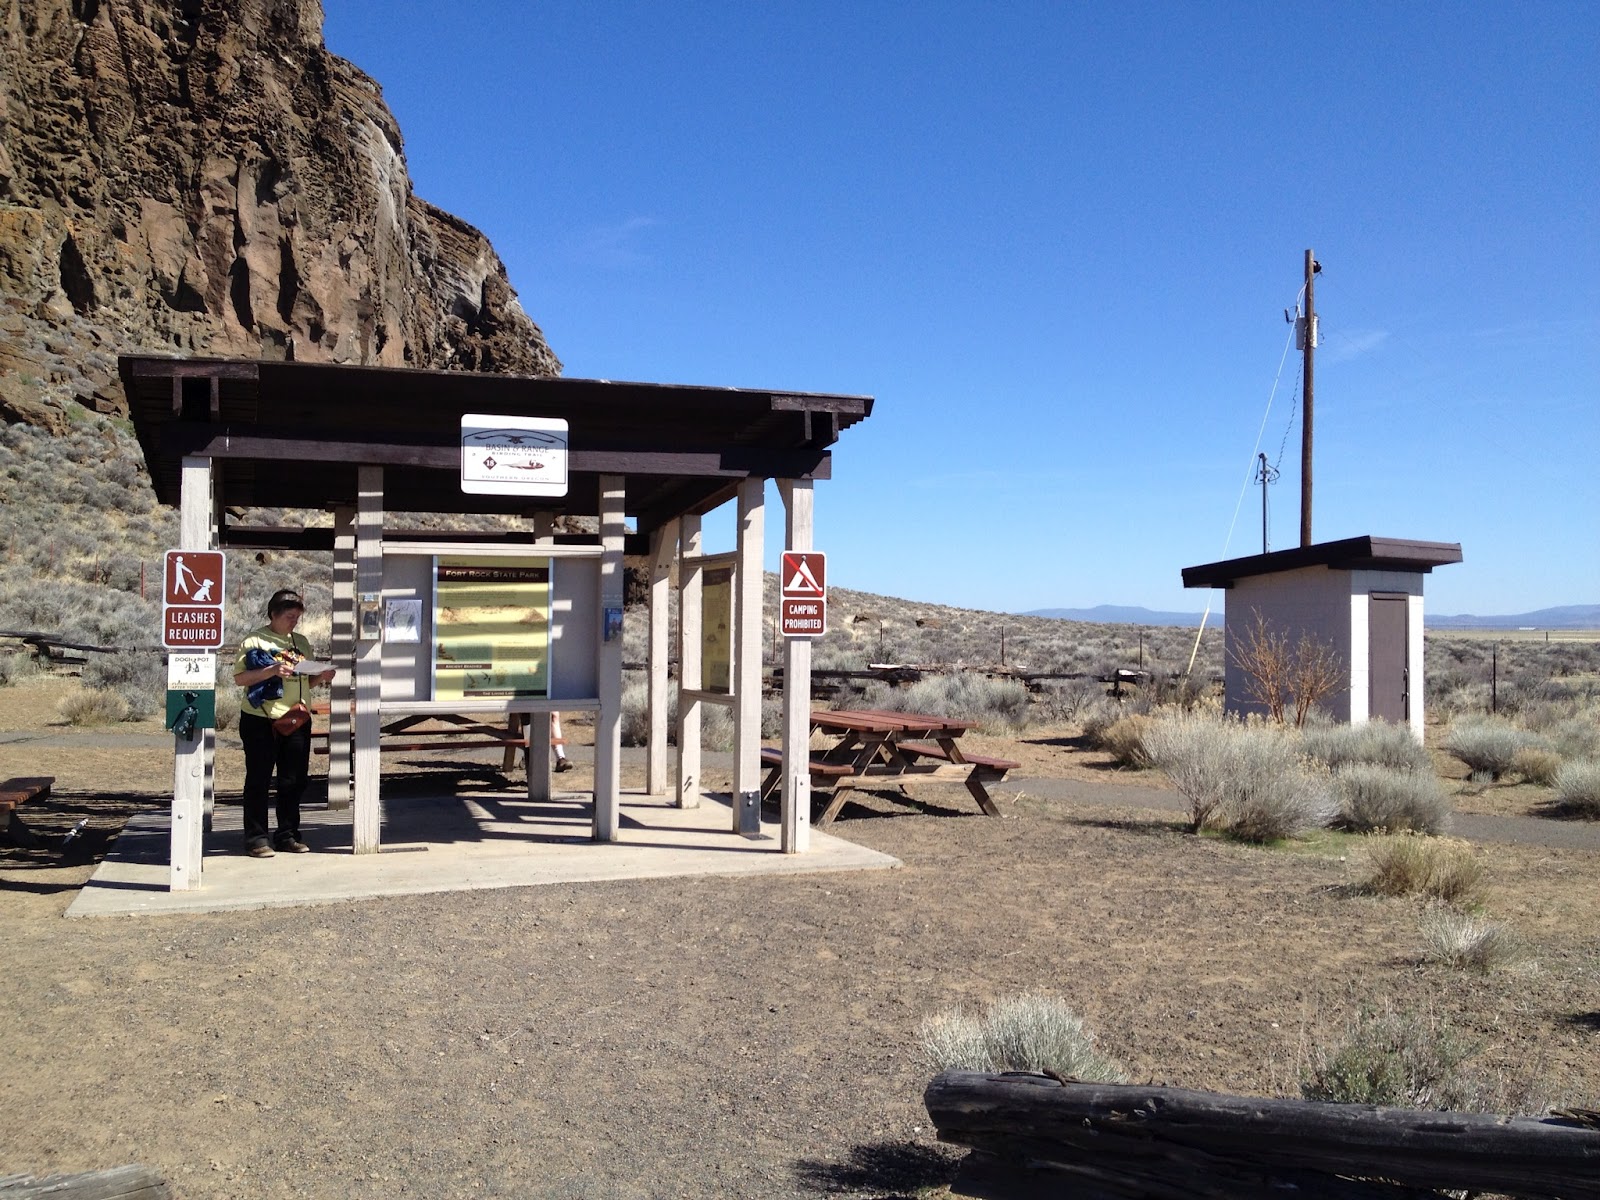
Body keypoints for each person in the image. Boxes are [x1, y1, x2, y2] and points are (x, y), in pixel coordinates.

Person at [233, 588, 336, 857]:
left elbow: (305, 681)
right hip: (261, 720)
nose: (294, 622)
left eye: (297, 617)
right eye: (290, 616)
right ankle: (257, 838)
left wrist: (321, 676)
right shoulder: (254, 640)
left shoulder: (300, 642)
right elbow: (240, 679)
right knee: (259, 779)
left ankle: (287, 835)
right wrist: (271, 670)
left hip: (297, 718)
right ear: (273, 614)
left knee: (294, 780)